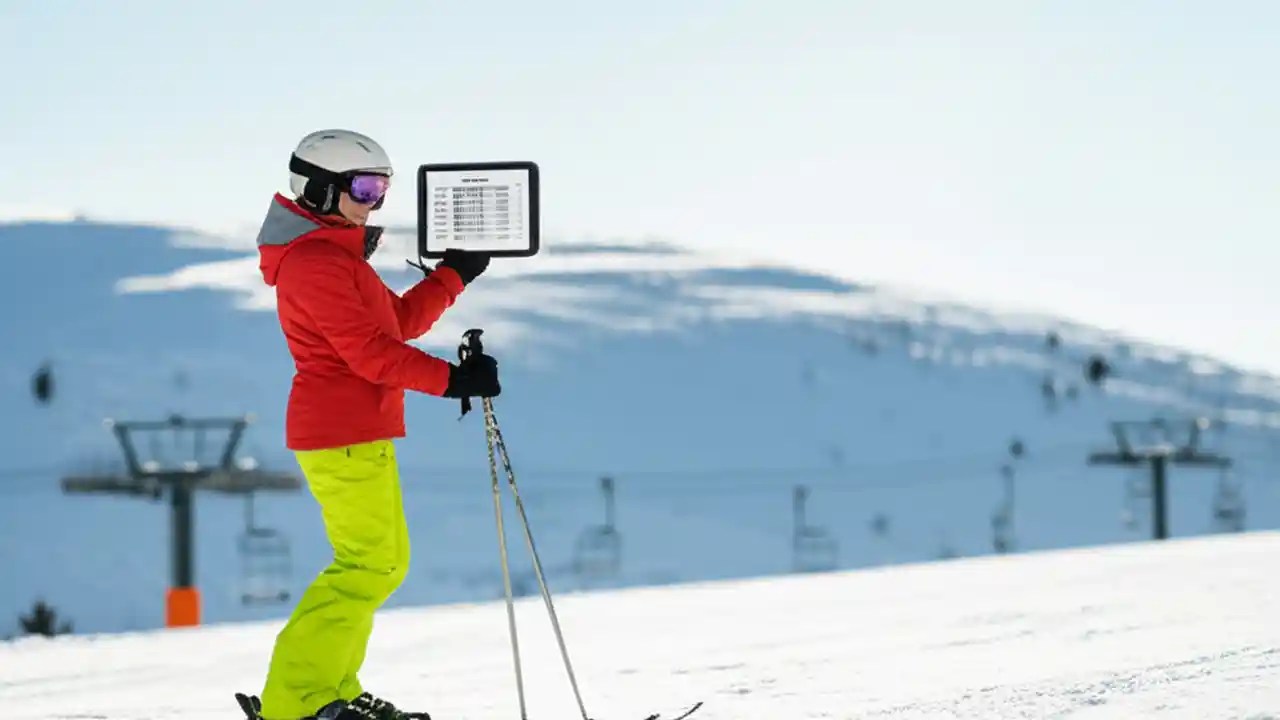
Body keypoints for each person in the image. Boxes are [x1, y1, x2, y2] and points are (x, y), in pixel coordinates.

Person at [242, 129, 500, 720]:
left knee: (380, 563)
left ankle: (331, 690)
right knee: (368, 564)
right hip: (341, 432)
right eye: (363, 187)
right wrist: (451, 381)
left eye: (381, 188)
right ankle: (296, 702)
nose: (374, 201)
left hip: (356, 430)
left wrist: (453, 275)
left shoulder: (333, 255)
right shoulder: (315, 262)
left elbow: (396, 325)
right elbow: (366, 352)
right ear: (320, 189)